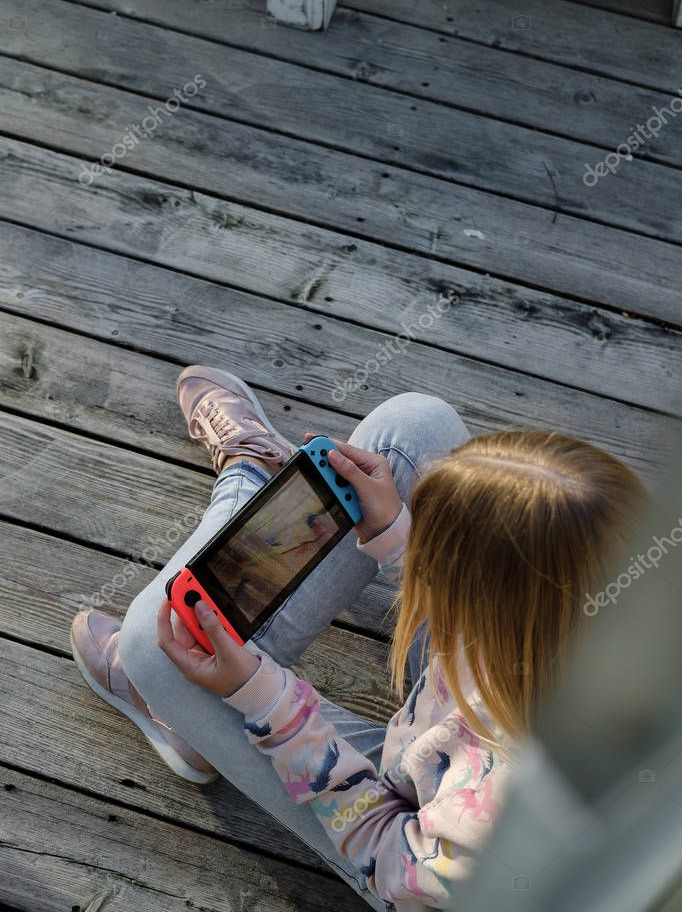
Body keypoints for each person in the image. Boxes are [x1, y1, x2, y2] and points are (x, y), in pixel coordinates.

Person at [70, 365, 647, 910]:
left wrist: (259, 699)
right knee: (413, 430)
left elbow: (389, 857)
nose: (424, 569)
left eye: (438, 564)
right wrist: (397, 535)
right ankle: (252, 491)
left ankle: (246, 478)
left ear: (491, 610)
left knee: (155, 644)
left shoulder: (502, 819)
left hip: (403, 825)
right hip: (450, 738)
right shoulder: (612, 615)